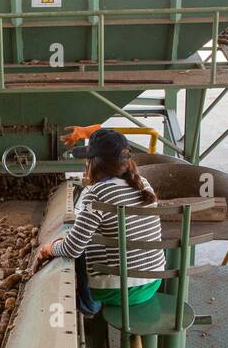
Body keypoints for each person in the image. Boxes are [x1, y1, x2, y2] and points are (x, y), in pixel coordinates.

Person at [36, 128, 164, 315]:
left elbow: (73, 248)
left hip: (116, 290)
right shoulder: (143, 184)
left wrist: (49, 248)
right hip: (152, 283)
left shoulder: (96, 194)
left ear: (94, 163)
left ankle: (89, 307)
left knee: (77, 249)